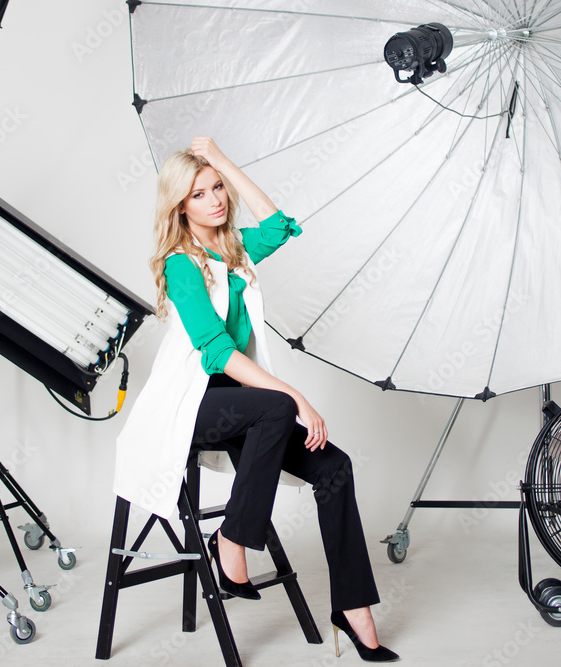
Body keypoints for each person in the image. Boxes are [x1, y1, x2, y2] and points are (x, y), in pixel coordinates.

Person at [114, 137, 399, 662]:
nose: (215, 199)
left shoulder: (233, 250)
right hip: (192, 403)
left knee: (335, 467)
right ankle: (234, 538)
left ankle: (354, 609)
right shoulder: (182, 265)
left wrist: (222, 160)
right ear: (180, 206)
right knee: (275, 405)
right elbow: (217, 353)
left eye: (217, 188)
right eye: (199, 194)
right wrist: (295, 395)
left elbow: (279, 225)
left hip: (245, 406)